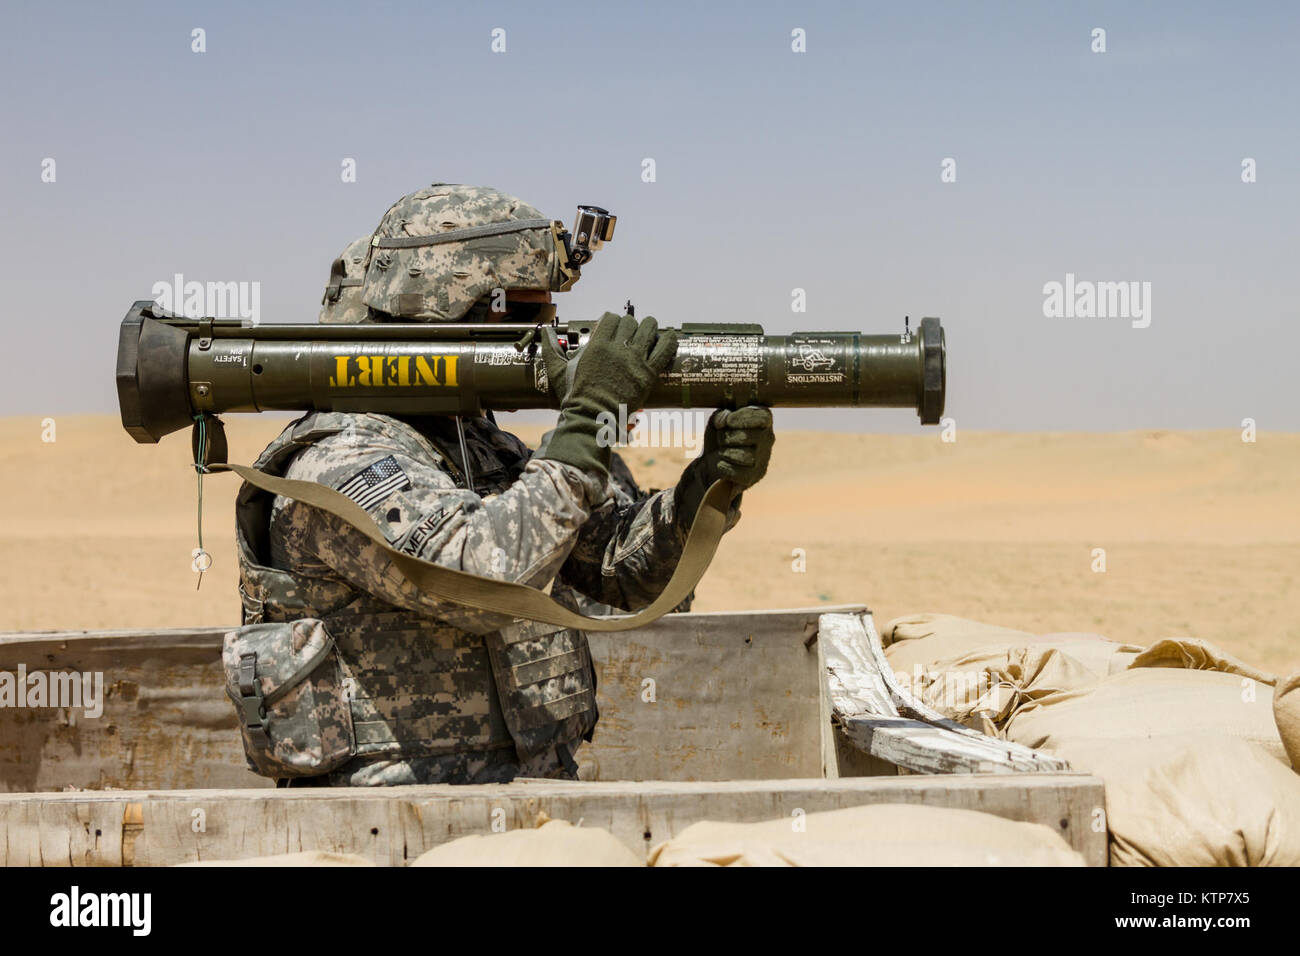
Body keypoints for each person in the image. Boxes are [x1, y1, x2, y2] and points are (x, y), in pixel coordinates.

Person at [233, 182, 774, 785]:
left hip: (532, 805)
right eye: (525, 313)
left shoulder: (478, 445)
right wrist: (589, 421)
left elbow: (619, 572)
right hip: (391, 826)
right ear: (456, 310)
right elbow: (483, 580)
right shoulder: (340, 457)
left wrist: (707, 486)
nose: (547, 332)